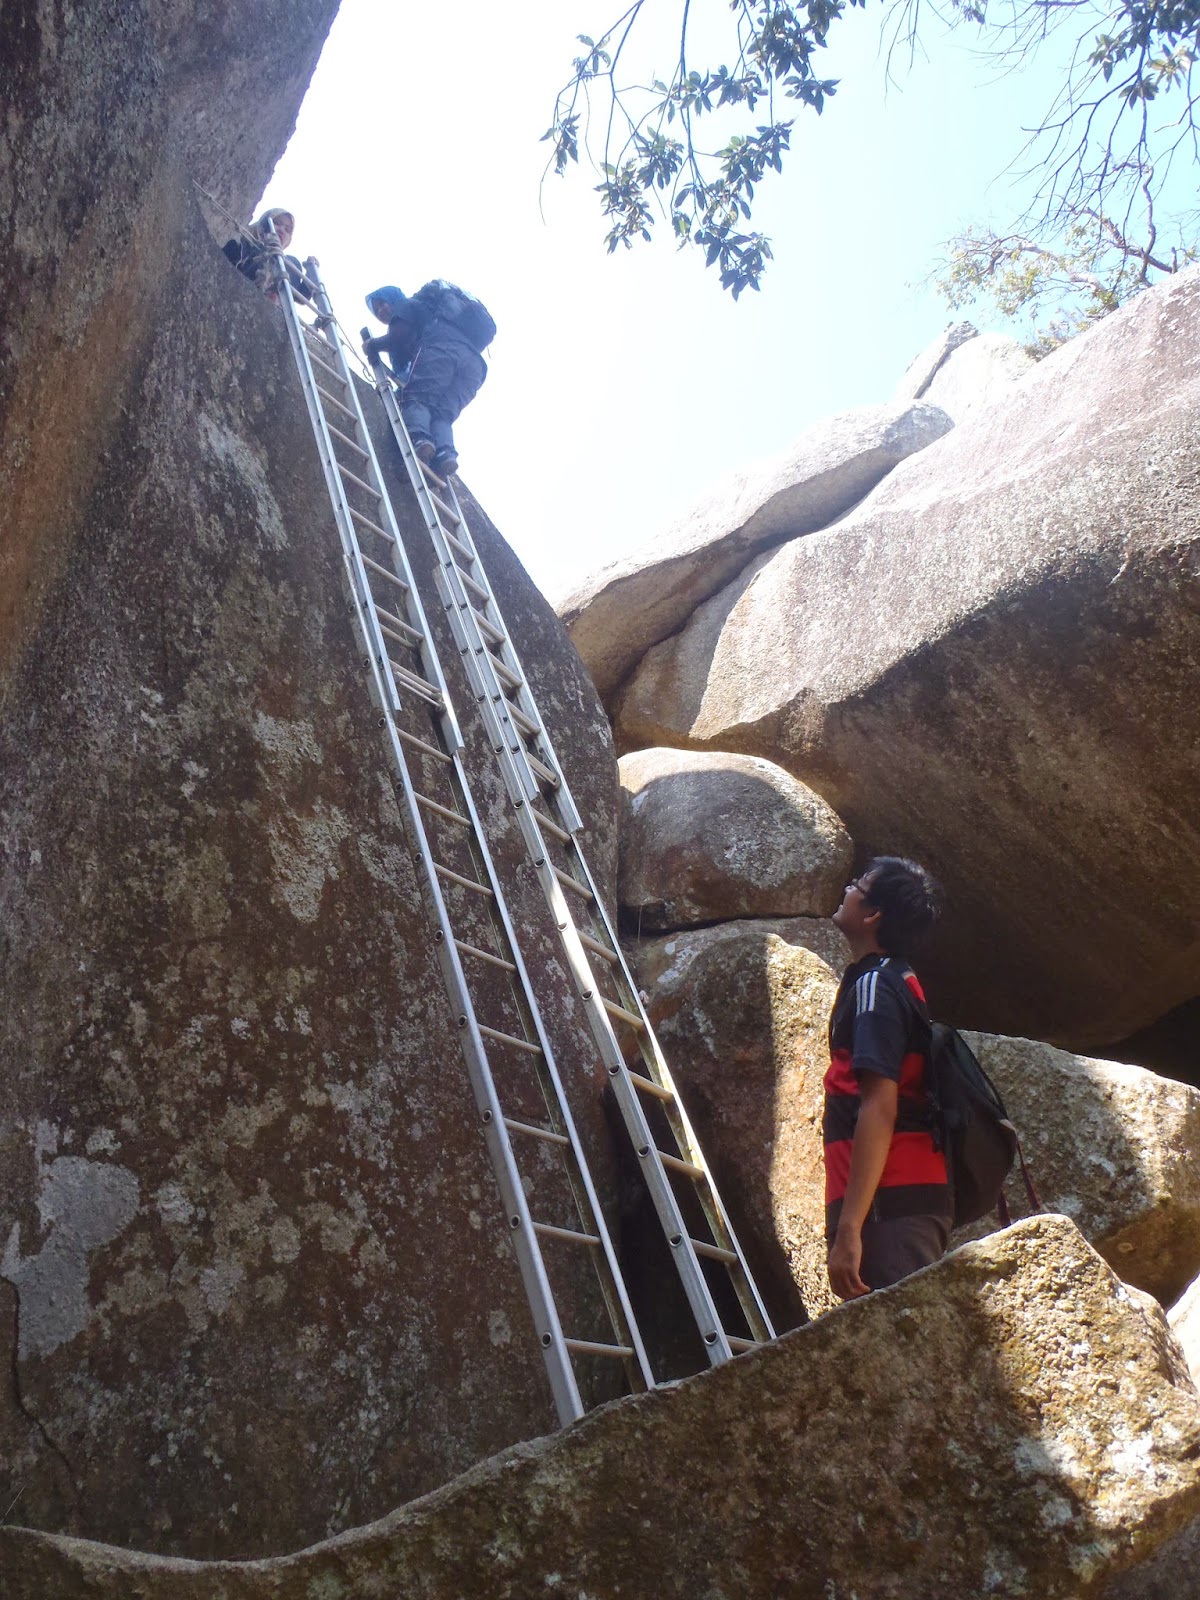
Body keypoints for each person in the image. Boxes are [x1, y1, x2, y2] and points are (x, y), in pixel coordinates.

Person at [823, 856, 949, 1300]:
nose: (847, 889)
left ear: (873, 914)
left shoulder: (877, 985)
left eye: (857, 884)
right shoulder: (891, 979)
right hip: (894, 1206)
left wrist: (849, 1229)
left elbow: (879, 1104)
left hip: (889, 1209)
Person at [363, 282, 490, 479]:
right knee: (442, 414)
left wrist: (373, 345)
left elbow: (398, 336)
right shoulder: (435, 316)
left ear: (393, 298)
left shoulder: (406, 306)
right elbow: (406, 371)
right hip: (475, 368)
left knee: (416, 399)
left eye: (382, 303)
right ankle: (444, 456)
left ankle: (420, 441)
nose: (381, 310)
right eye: (376, 309)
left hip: (444, 350)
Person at [222, 209, 317, 307]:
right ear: (263, 226)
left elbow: (301, 297)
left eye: (287, 230)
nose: (281, 230)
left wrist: (311, 272)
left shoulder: (291, 264)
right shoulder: (242, 245)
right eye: (277, 223)